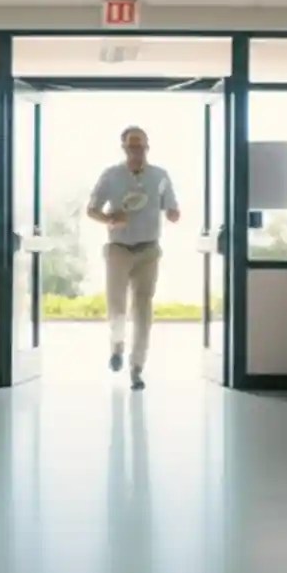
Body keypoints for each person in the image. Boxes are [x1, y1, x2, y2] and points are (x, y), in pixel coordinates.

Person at [86, 126, 180, 391]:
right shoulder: (111, 176)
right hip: (118, 249)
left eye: (141, 146)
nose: (137, 151)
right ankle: (116, 347)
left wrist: (173, 213)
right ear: (124, 148)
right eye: (132, 146)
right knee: (117, 306)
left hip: (148, 250)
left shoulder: (160, 176)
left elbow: (172, 206)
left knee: (143, 309)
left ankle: (137, 367)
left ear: (148, 147)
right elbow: (91, 209)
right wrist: (109, 219)